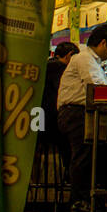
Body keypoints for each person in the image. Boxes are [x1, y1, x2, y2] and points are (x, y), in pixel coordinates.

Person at [56, 24, 107, 212]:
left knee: (92, 154)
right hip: (74, 113)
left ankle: (90, 199)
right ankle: (79, 201)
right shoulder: (84, 57)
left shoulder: (90, 60)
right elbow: (97, 87)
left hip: (81, 112)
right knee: (83, 155)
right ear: (102, 43)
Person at [42, 42, 78, 173]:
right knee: (72, 134)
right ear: (70, 56)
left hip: (37, 122)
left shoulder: (44, 65)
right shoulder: (61, 68)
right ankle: (71, 174)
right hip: (51, 124)